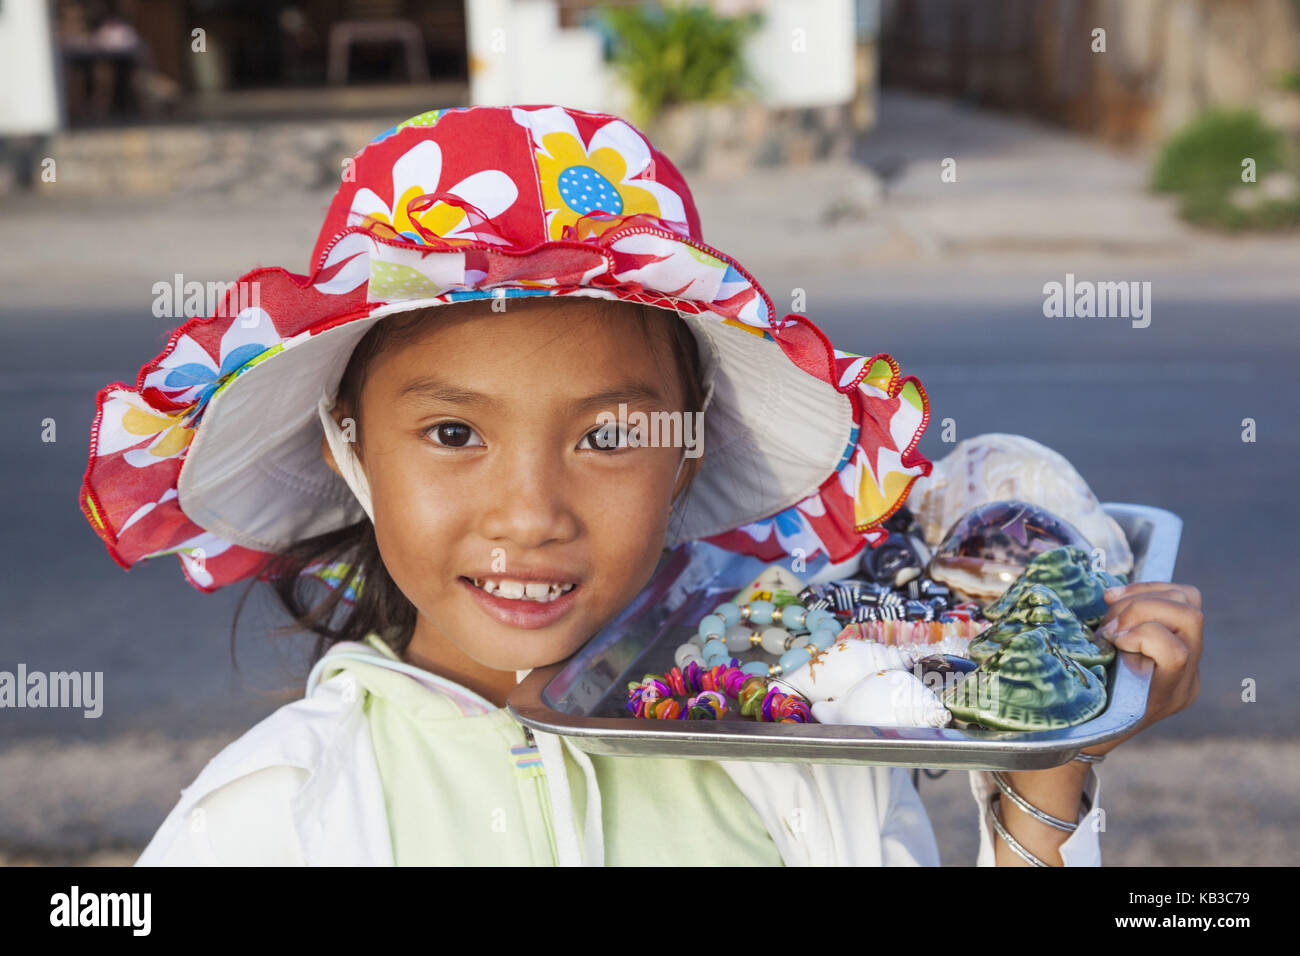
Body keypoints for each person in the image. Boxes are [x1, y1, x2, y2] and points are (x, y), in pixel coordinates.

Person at [79, 104, 1202, 866]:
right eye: (454, 429)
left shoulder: (807, 765)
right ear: (349, 448)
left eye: (611, 434)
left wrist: (1046, 762)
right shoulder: (266, 820)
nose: (529, 511)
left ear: (690, 451)